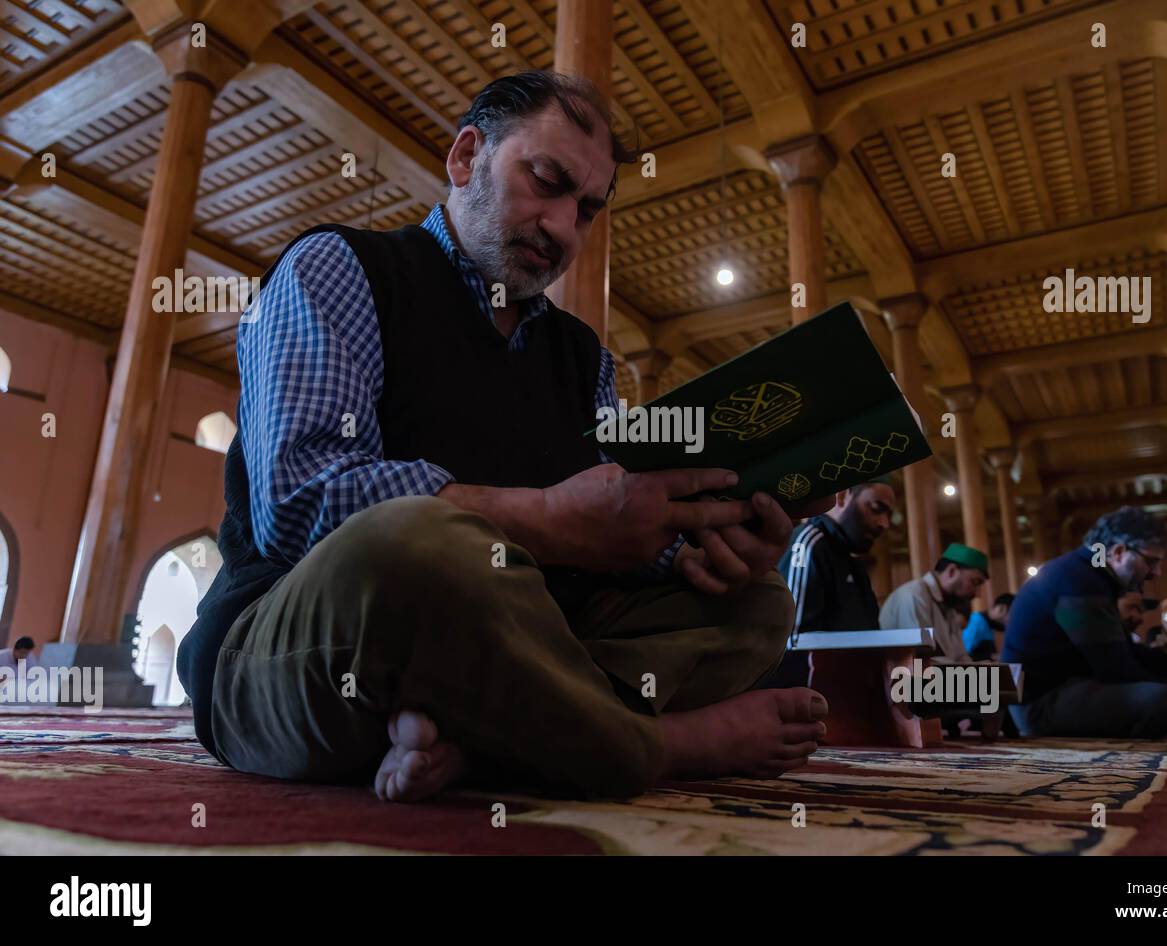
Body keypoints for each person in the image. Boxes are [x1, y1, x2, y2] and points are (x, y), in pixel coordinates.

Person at [178, 71, 833, 803]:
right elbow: (297, 509)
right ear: (466, 159)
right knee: (415, 542)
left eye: (586, 211)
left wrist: (716, 539)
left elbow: (609, 540)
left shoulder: (584, 357)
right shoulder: (338, 269)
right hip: (300, 650)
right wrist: (551, 520)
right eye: (545, 182)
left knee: (757, 606)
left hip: (505, 647)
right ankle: (658, 745)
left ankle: (483, 742)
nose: (561, 228)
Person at [1001, 506, 1167, 738]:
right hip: (1040, 704)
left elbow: (1124, 653)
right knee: (1159, 700)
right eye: (1151, 561)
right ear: (1118, 552)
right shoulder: (1078, 581)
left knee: (1165, 692)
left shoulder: (1087, 574)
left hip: (1066, 690)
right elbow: (1114, 667)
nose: (1156, 572)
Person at [764, 479, 896, 687]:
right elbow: (792, 643)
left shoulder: (853, 562)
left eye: (889, 515)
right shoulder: (810, 544)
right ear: (843, 496)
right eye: (876, 509)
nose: (884, 524)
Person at [877, 543, 988, 661]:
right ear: (952, 572)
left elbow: (959, 656)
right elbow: (922, 660)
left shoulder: (949, 606)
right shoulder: (914, 595)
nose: (977, 594)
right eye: (975, 582)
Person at [963, 593, 1014, 662]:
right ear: (1001, 609)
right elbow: (965, 653)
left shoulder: (989, 625)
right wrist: (991, 656)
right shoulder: (977, 621)